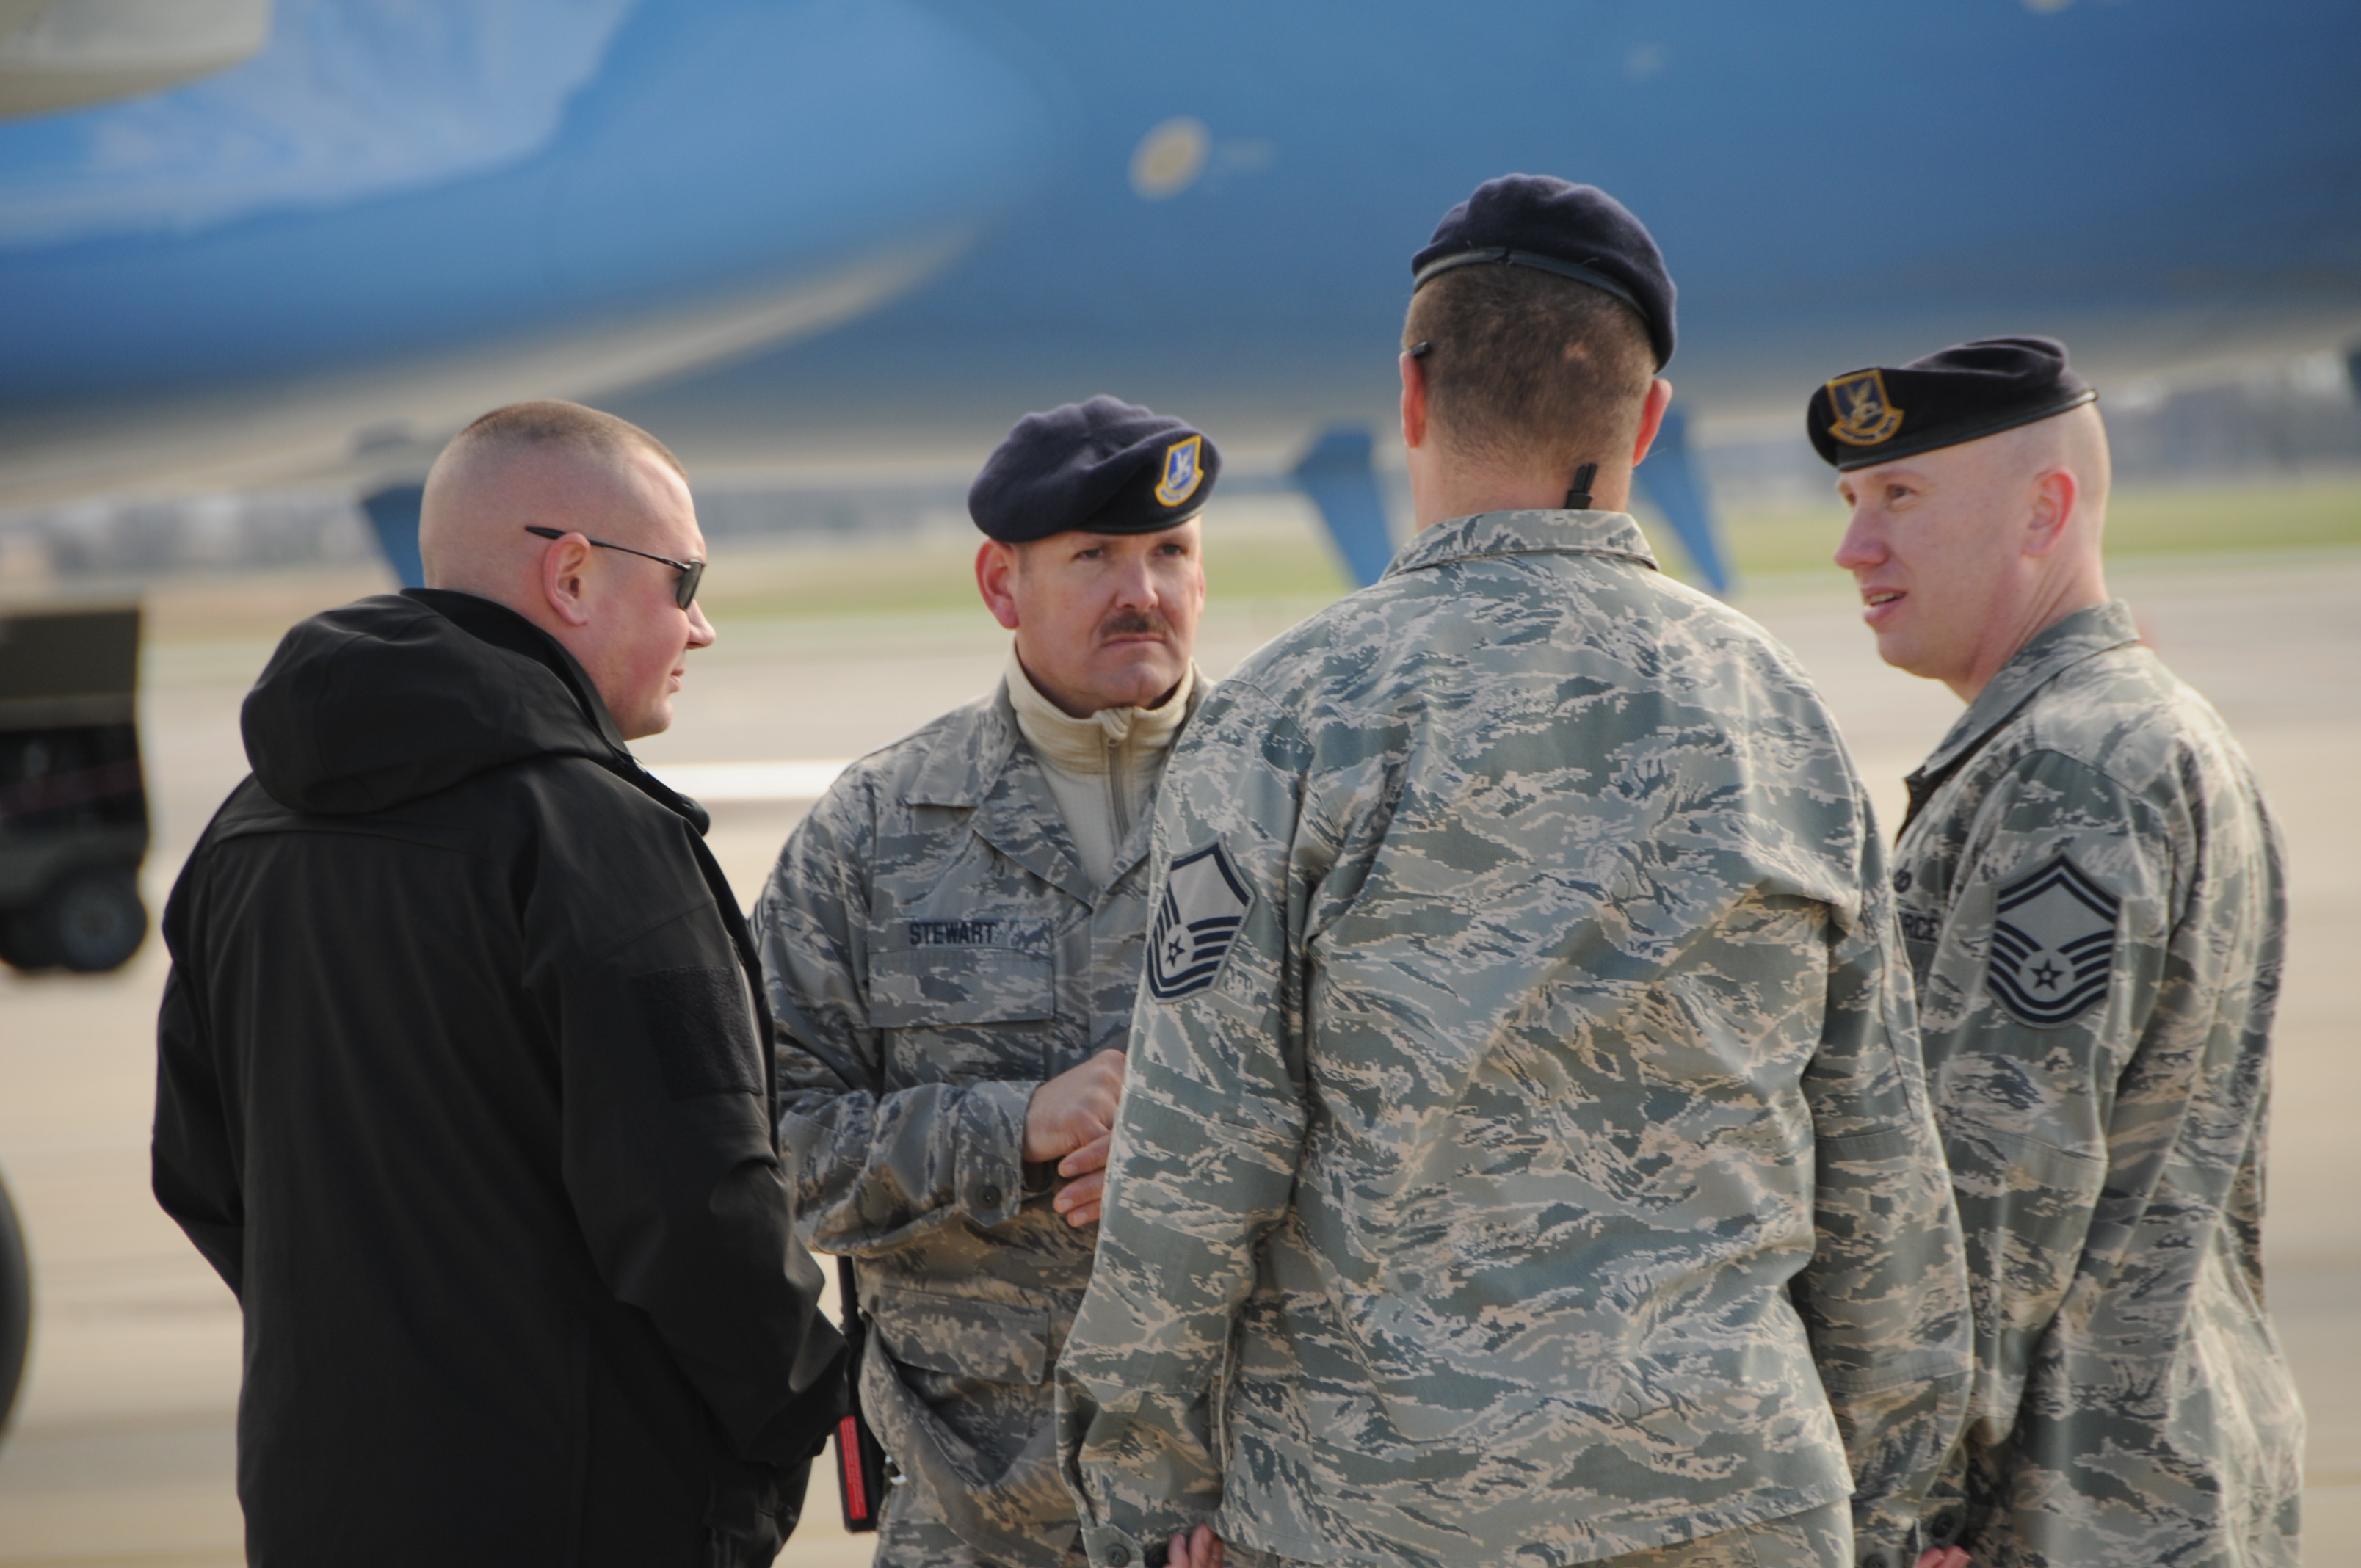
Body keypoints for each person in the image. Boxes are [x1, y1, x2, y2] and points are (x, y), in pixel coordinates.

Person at [1056, 175, 1972, 1568]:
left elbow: (1195, 1156)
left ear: (1412, 399)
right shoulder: (1775, 708)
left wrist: (1147, 1490)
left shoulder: (1295, 715)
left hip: (1394, 1508)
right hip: (1740, 1494)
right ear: (1649, 421)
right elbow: (1882, 1167)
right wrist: (1891, 1499)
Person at [150, 400, 846, 1567]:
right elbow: (698, 1202)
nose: (702, 626)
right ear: (574, 575)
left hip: (319, 1495)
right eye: (684, 580)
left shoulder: (243, 832)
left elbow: (203, 1174)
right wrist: (798, 1408)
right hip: (582, 1503)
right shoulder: (594, 837)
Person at [1814, 337, 2305, 1567]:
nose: (1855, 549)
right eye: (1854, 502)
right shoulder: (2139, 730)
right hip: (2158, 1467)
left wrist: (1896, 1513)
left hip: (2059, 1505)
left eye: (1903, 498)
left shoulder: (2069, 767)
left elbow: (1996, 1192)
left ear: (2046, 510)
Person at [752, 396, 1218, 1568]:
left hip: (1258, 1506)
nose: (1143, 591)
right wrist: (1009, 1127)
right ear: (1001, 587)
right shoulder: (874, 831)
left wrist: (1205, 1158)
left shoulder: (1298, 803)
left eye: (1170, 551)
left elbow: (1426, 1128)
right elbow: (766, 1149)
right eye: (1095, 558)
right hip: (979, 1519)